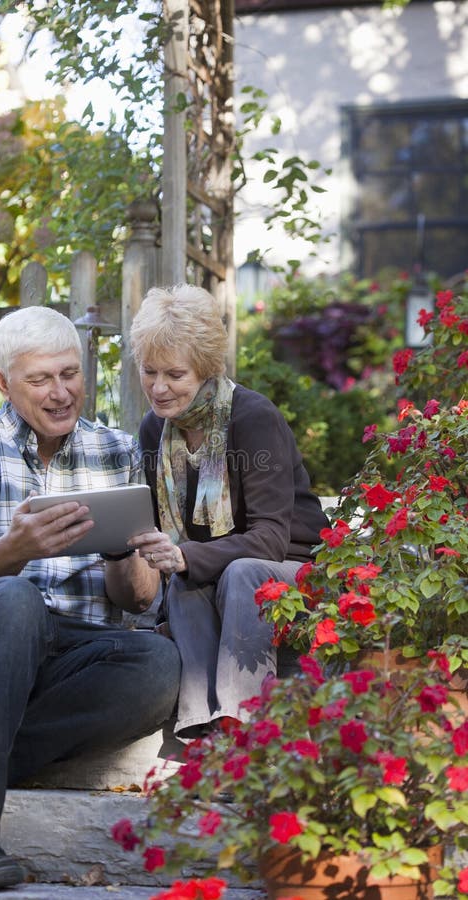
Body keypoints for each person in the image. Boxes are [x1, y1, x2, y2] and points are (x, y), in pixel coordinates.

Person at [0, 305, 181, 890]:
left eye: (70, 374)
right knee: (14, 600)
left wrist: (119, 552)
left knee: (157, 663)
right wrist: (15, 550)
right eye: (41, 379)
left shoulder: (117, 450)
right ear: (3, 384)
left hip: (71, 655)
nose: (61, 393)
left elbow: (137, 600)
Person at [127, 284, 329, 740]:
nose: (159, 388)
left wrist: (185, 556)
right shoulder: (153, 429)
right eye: (149, 371)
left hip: (294, 576)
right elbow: (167, 536)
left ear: (205, 368)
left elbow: (271, 540)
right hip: (222, 577)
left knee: (236, 571)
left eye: (175, 374)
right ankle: (201, 732)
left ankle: (247, 732)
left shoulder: (252, 417)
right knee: (187, 578)